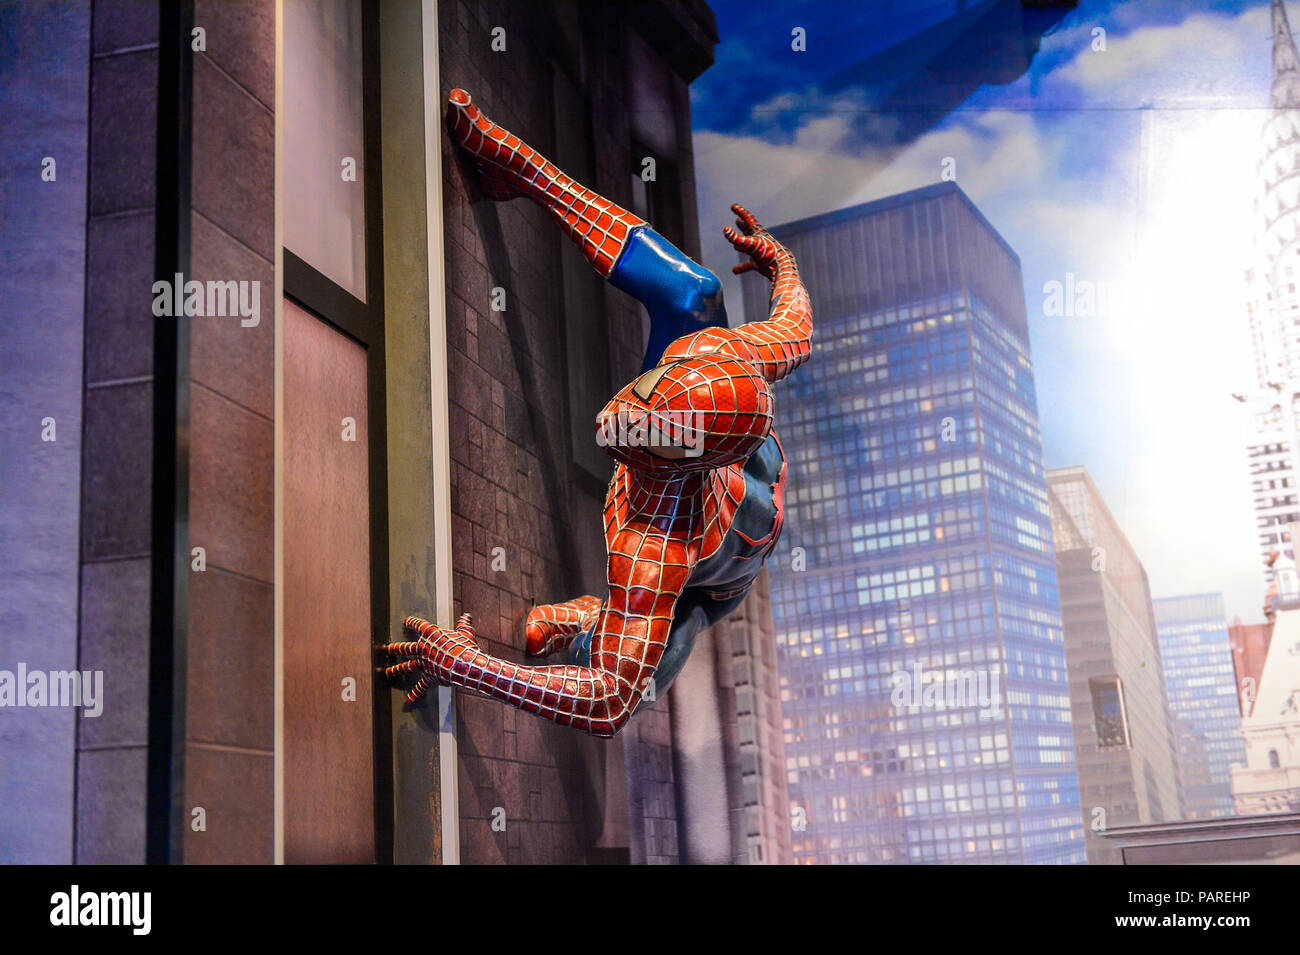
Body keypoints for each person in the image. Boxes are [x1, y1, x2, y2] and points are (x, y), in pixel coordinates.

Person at [382, 89, 813, 737]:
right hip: (731, 503)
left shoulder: (659, 538)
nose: (625, 418)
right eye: (652, 390)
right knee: (697, 290)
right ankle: (518, 169)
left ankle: (587, 619)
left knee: (656, 658)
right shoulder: (720, 359)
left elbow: (606, 701)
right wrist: (783, 264)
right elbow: (796, 329)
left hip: (718, 574)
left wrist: (465, 664)